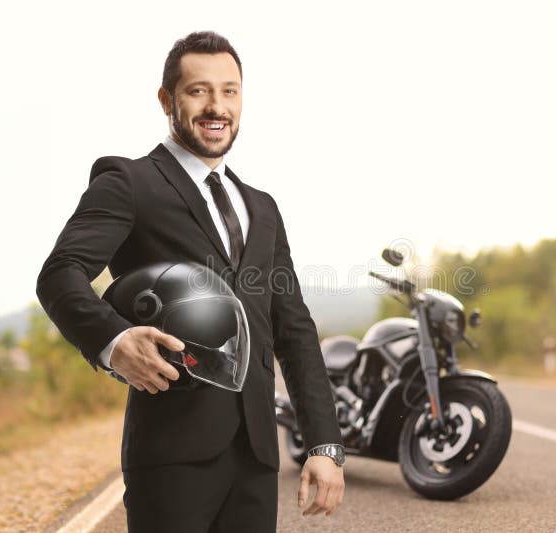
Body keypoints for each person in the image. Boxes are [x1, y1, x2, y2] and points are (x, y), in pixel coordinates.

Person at [35, 31, 345, 532]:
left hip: (258, 456)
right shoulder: (128, 183)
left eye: (229, 91)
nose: (216, 106)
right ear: (167, 100)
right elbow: (60, 274)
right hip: (170, 452)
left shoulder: (262, 209)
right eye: (198, 90)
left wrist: (325, 444)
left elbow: (293, 331)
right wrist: (113, 340)